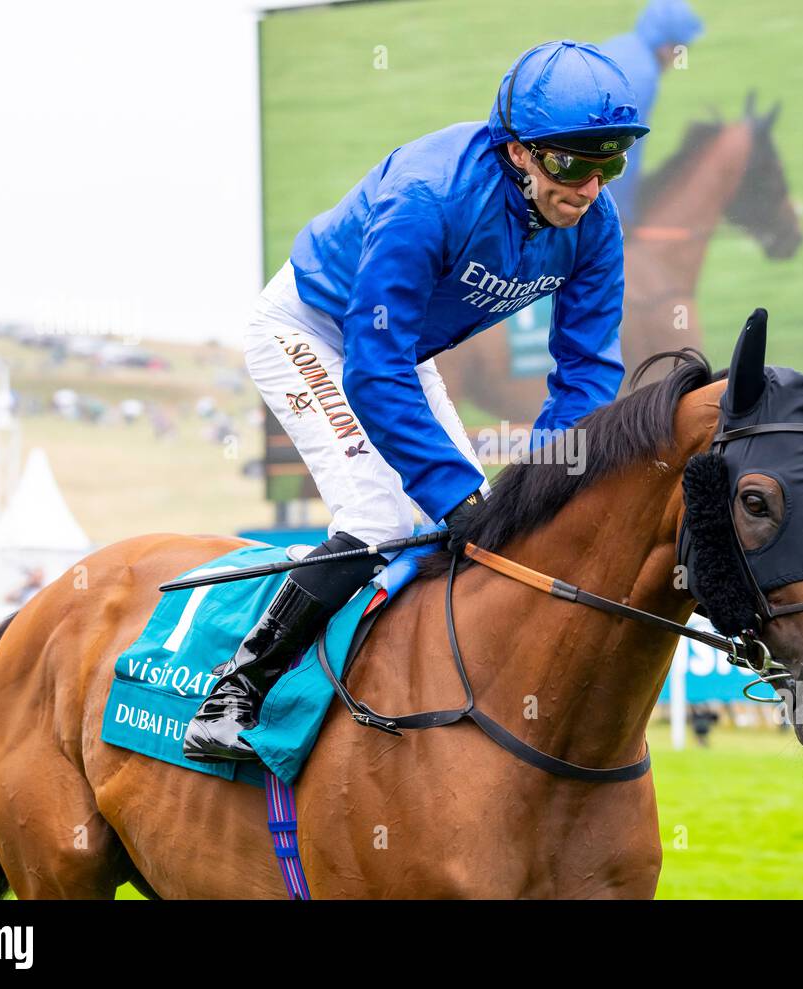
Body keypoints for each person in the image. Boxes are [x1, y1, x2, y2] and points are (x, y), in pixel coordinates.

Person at [184, 40, 650, 764]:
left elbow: (587, 374)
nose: (589, 188)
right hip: (314, 330)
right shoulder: (428, 196)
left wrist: (549, 481)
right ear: (519, 152)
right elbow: (372, 368)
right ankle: (235, 691)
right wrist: (455, 492)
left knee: (483, 528)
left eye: (609, 163)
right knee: (378, 515)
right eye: (570, 163)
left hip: (402, 352)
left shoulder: (595, 224)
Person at [598, 0, 704, 228]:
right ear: (667, 46)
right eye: (682, 50)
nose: (680, 59)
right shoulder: (643, 78)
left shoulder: (623, 45)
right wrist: (623, 214)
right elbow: (625, 151)